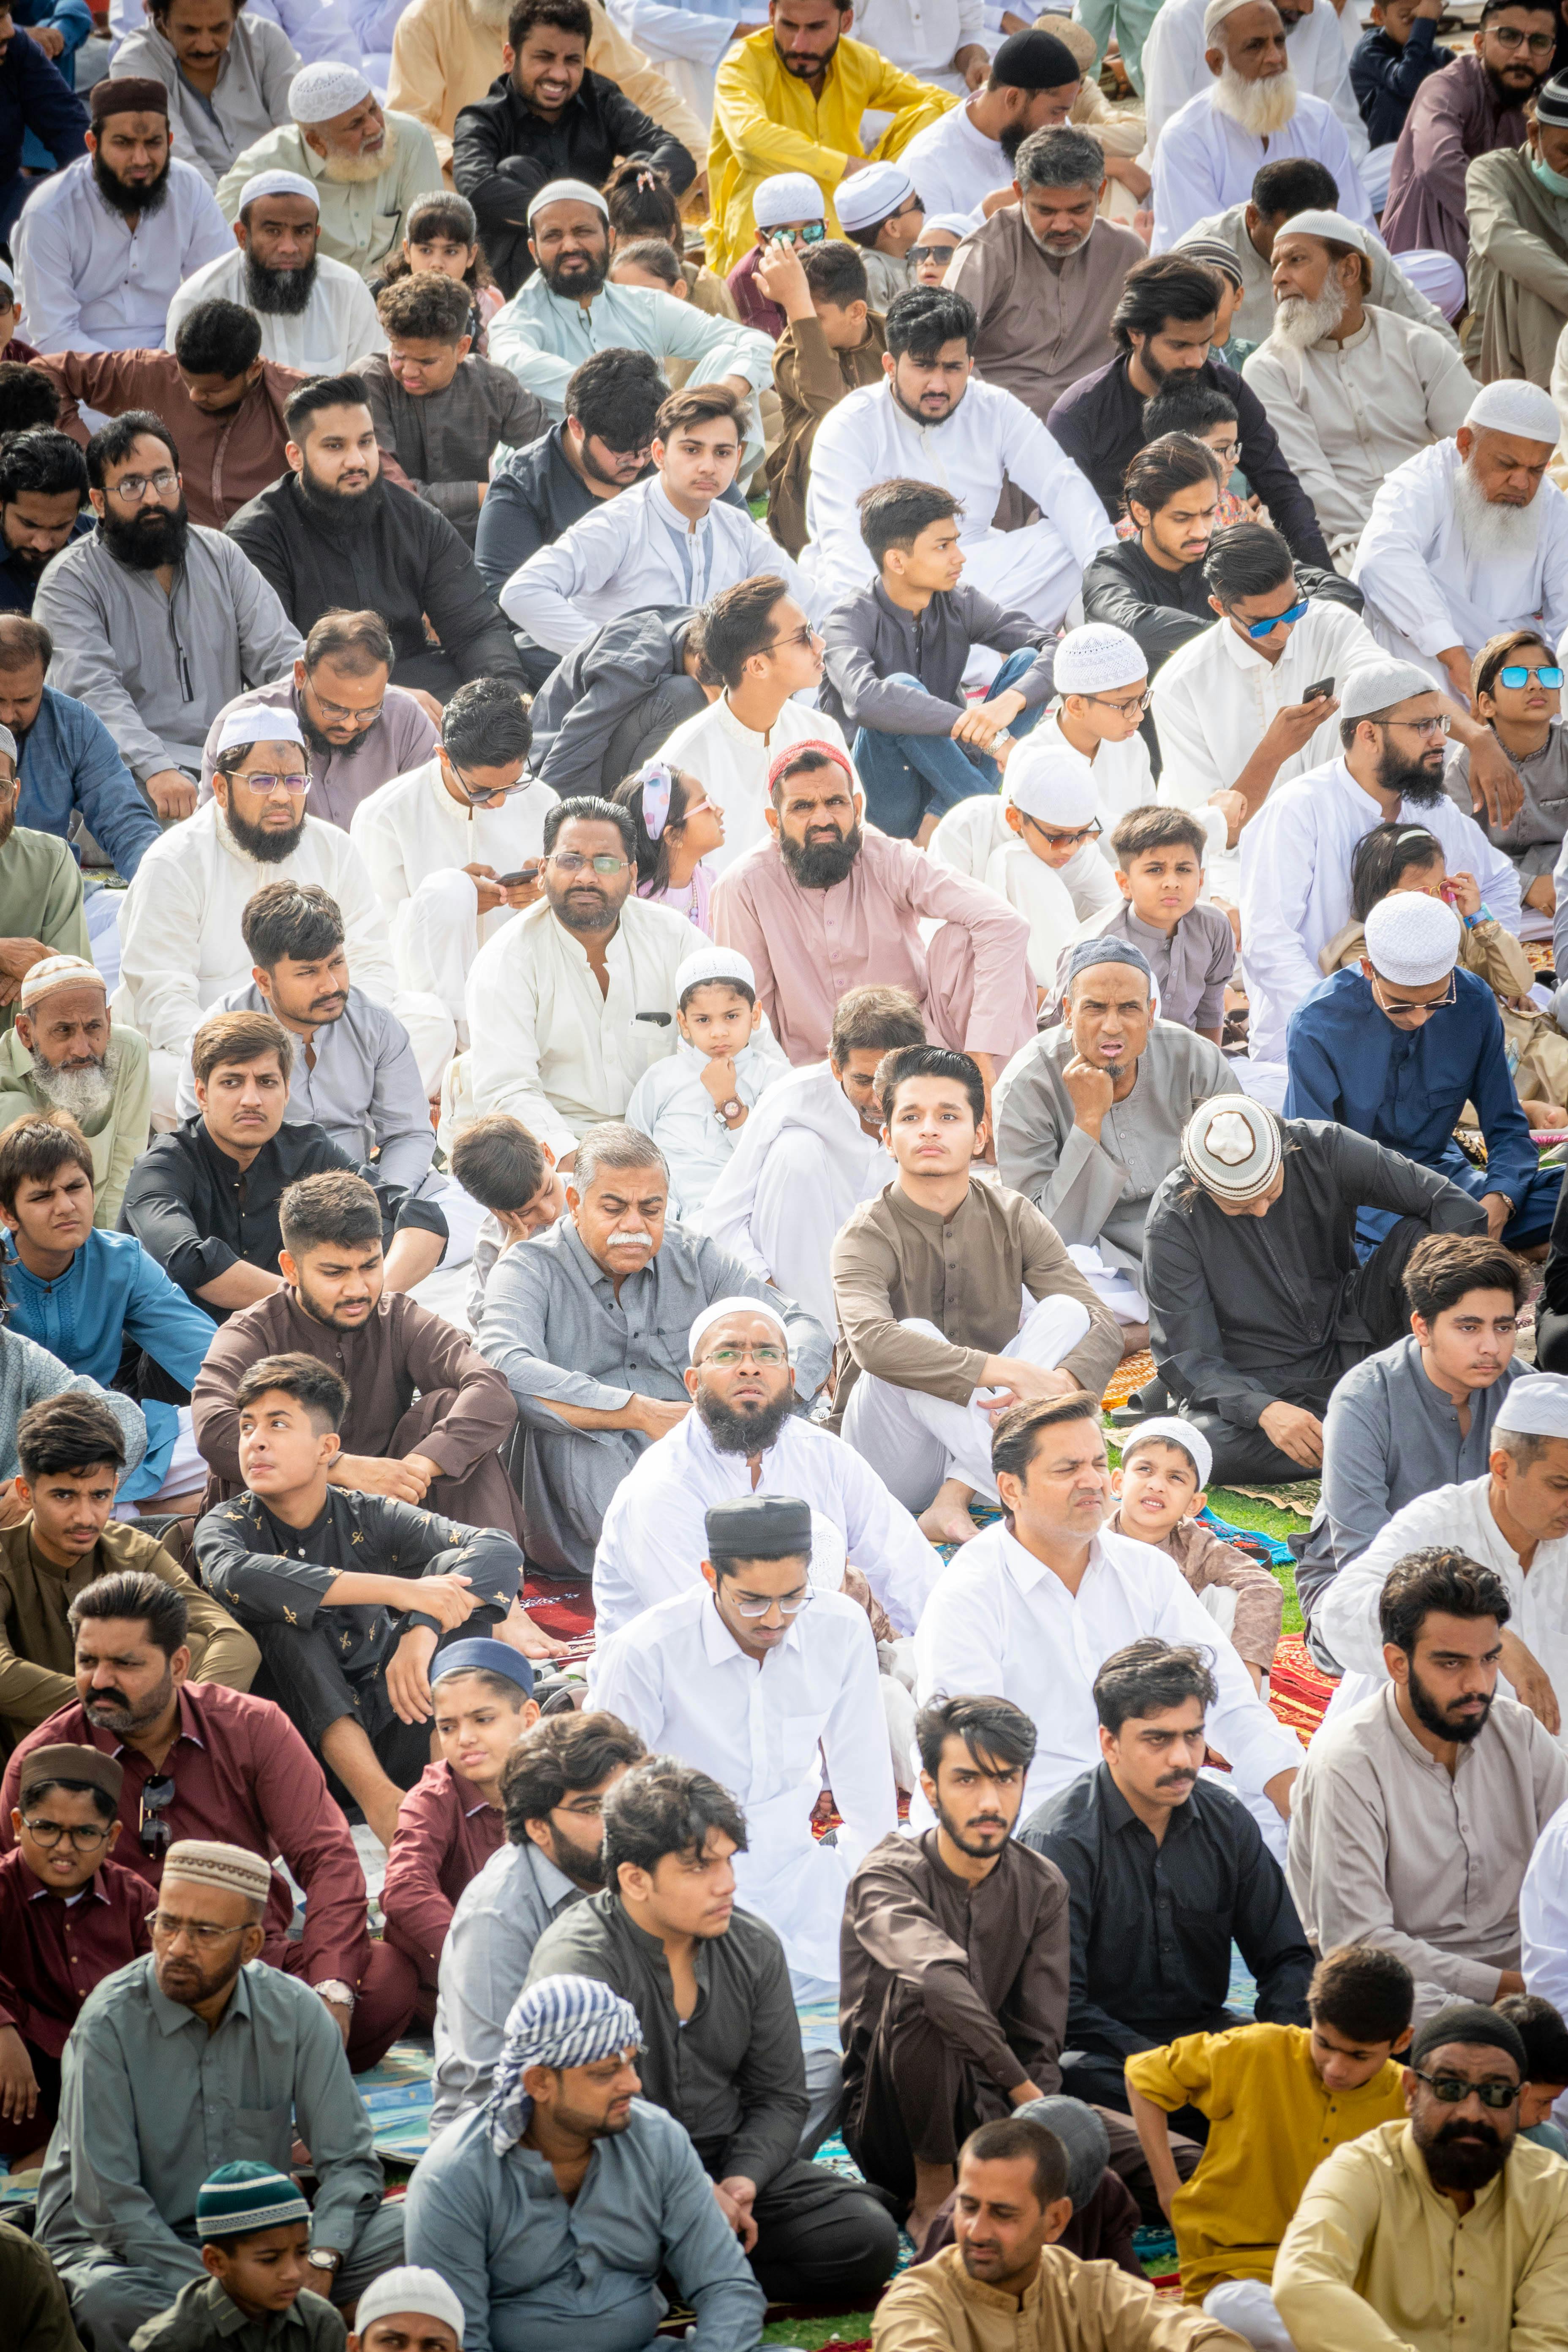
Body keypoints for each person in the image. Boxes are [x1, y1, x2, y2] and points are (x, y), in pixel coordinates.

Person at [527, 1756, 902, 2305]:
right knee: (561, 2244)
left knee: (865, 2236)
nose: (726, 1884)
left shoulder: (752, 1945)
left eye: (728, 1861)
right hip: (614, 2174)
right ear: (635, 1879)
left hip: (725, 2164)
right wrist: (690, 2193)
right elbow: (578, 2113)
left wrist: (742, 2183)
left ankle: (669, 2276)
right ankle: (674, 2268)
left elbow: (780, 2099)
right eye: (699, 1868)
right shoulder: (579, 1958)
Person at [2, 1568, 412, 2067]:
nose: (100, 1681)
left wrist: (331, 1993)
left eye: (124, 1664)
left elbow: (326, 1859)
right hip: (103, 1987)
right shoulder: (44, 1759)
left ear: (179, 1665)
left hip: (243, 1968)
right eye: (87, 1661)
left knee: (384, 1980)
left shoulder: (252, 1727)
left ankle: (236, 2059)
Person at [35, 1836, 406, 2350]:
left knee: (414, 2226)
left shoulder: (295, 2012)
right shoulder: (109, 2023)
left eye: (204, 1932)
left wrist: (319, 2261)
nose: (177, 1949)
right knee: (108, 2302)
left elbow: (349, 2162)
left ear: (252, 1944)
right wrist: (232, 2295)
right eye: (166, 1924)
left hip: (268, 2249)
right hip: (128, 2251)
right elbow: (111, 2207)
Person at [195, 1352, 522, 1847]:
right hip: (300, 1752)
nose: (255, 1440)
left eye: (277, 1424)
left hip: (396, 1717)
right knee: (284, 1626)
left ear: (327, 1447)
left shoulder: (367, 1513)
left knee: (451, 1588)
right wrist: (398, 1590)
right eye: (246, 1427)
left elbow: (496, 1549)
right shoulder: (227, 1525)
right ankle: (383, 1805)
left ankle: (445, 1788)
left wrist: (420, 1629)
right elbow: (235, 1575)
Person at [476, 1119, 828, 1574]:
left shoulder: (693, 1256)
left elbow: (799, 1325)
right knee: (585, 1436)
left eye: (651, 1209)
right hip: (587, 1492)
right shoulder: (529, 1269)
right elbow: (502, 1367)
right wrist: (638, 1413)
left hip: (705, 1445)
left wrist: (773, 1395)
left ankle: (764, 1555)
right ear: (576, 1204)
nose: (634, 1227)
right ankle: (706, 1566)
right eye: (615, 1208)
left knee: (773, 1405)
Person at [589, 1492, 893, 1991]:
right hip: (687, 1878)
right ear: (711, 1578)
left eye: (793, 1597)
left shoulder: (838, 1626)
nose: (774, 1619)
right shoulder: (647, 1651)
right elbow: (610, 1802)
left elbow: (863, 1766)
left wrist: (882, 1882)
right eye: (752, 1600)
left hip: (800, 1870)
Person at [830, 1045, 1122, 1541]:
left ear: (978, 1134)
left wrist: (1058, 1382)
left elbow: (1101, 1322)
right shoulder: (863, 1234)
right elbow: (873, 1343)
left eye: (948, 1115)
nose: (929, 1129)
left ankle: (956, 1497)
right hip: (893, 1461)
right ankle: (1050, 1500)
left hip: (987, 1431)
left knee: (1067, 1311)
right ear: (887, 1137)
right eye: (911, 1117)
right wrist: (1014, 1372)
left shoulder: (1013, 1215)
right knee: (912, 1334)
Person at [1021, 1638, 1312, 2115]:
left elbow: (1287, 1955)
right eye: (1158, 1739)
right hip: (1109, 2055)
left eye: (1193, 1736)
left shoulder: (1226, 1821)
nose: (1182, 1758)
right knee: (1078, 2084)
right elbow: (1060, 2009)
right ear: (1109, 1743)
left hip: (1207, 2039)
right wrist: (1173, 2068)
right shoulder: (1059, 1843)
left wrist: (1279, 2047)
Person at [408, 1968, 768, 2351]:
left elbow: (727, 2287)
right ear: (540, 2083)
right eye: (605, 2073)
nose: (633, 2084)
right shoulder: (453, 2177)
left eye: (630, 2063)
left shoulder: (658, 2140)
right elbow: (457, 2340)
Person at [1145, 1093, 1490, 1483]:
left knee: (1424, 1238)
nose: (1260, 1210)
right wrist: (1263, 1410)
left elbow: (1454, 1207)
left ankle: (1384, 1422)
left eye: (1271, 1194)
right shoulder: (1172, 1222)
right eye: (1241, 1206)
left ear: (1284, 1150)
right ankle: (1398, 1429)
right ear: (1198, 1185)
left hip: (1362, 1336)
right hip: (1265, 1378)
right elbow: (1192, 1357)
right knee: (1200, 1446)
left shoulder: (1322, 1147)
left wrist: (1445, 1337)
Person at [1290, 1547, 1568, 2026]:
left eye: (1488, 1660)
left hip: (1531, 1982)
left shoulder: (1517, 1733)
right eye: (1451, 1664)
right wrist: (1507, 1991)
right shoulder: (1347, 1762)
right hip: (1405, 1993)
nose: (1478, 1684)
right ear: (1397, 1663)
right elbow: (1359, 1940)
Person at [840, 1693, 1071, 2237]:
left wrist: (1033, 2127)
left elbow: (1040, 2037)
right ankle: (932, 2199)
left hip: (993, 2112)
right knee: (930, 1995)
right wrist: (1025, 2094)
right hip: (893, 2118)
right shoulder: (886, 1875)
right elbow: (933, 1979)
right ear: (930, 1788)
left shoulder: (1041, 1885)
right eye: (967, 1780)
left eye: (1006, 1779)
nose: (990, 1801)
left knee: (1136, 2156)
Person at [192, 1168, 520, 1540]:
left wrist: (417, 1468)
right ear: (291, 1269)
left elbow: (489, 1387)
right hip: (282, 1535)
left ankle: (487, 1582)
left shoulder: (396, 1316)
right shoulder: (251, 1334)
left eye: (370, 1266)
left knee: (450, 1410)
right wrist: (341, 1468)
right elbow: (213, 1430)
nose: (357, 1289)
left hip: (389, 1512)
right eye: (334, 1273)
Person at [592, 1293, 940, 1639]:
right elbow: (703, 1635)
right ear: (694, 1385)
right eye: (728, 1354)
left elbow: (908, 1571)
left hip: (823, 1657)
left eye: (768, 1354)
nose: (749, 1367)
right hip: (687, 1678)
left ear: (790, 1378)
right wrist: (850, 1618)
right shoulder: (663, 1485)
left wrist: (923, 1651)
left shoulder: (827, 1456)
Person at [1238, 659, 1524, 1068]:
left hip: (1434, 1030)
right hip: (1319, 1042)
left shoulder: (1434, 808)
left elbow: (1498, 883)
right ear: (1369, 734)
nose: (1441, 738)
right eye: (1423, 726)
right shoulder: (1298, 810)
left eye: (1441, 721)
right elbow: (1269, 945)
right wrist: (1342, 1021)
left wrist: (1494, 973)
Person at [1124, 1945, 1414, 2342]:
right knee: (1238, 2310)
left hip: (1344, 2282)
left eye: (1359, 2056)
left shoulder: (1408, 2096)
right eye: (1325, 2044)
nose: (1336, 2069)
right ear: (1313, 2017)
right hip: (1237, 2270)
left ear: (1400, 2042)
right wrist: (1167, 2190)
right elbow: (1143, 2078)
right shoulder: (1258, 2050)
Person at [117, 710, 396, 1121]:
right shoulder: (175, 862)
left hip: (318, 1040)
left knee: (426, 1021)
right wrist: (247, 1063)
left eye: (295, 781)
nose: (282, 797)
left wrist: (337, 1045)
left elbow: (371, 962)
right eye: (262, 781)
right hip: (216, 1056)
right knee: (153, 1078)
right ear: (222, 788)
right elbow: (161, 996)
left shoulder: (334, 849)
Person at [33, 413, 303, 822]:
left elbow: (282, 658)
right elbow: (92, 694)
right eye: (131, 485)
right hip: (130, 774)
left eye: (163, 479)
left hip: (230, 760)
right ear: (100, 501)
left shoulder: (221, 554)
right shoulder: (70, 581)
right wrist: (157, 767)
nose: (152, 498)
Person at [713, 741, 1039, 1071]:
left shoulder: (888, 859)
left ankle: (997, 1100)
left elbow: (1003, 923)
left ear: (856, 807)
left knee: (967, 941)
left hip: (917, 1058)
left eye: (835, 802)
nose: (822, 819)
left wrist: (982, 1055)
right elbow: (749, 1015)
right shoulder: (744, 887)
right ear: (774, 821)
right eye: (802, 807)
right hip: (817, 1075)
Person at [805, 285, 1116, 626]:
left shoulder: (994, 408)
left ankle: (981, 652)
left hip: (977, 570)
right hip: (891, 584)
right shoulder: (850, 426)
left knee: (1071, 545)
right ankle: (979, 654)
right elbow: (847, 553)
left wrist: (1109, 581)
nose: (938, 385)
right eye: (923, 367)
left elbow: (1061, 483)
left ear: (970, 366)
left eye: (952, 368)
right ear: (890, 366)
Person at [1272, 2002, 1568, 2352]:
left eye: (1497, 2094)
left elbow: (1549, 2337)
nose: (1472, 2113)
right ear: (1412, 2091)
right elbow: (1302, 2280)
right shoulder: (1361, 2170)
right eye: (1449, 2088)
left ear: (1521, 2101)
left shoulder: (1554, 2190)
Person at [120, 1008, 447, 1323]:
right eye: (232, 1083)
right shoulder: (162, 1168)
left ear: (287, 1091)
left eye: (267, 1082)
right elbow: (189, 1261)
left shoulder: (308, 1150)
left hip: (296, 1336)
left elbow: (417, 1217)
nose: (252, 1099)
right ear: (203, 1094)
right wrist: (315, 1302)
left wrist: (370, 1300)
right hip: (181, 1359)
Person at [1285, 889, 1563, 1255]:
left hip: (1448, 1184)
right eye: (1401, 1006)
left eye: (1436, 1003)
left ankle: (1465, 1248)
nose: (1418, 1018)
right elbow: (1313, 1165)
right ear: (1370, 970)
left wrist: (1501, 1201)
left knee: (1560, 1197)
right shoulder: (1316, 1025)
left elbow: (1506, 1128)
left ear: (1451, 974)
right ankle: (1473, 1250)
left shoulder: (1474, 1001)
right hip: (1365, 1206)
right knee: (1344, 1261)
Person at [227, 375, 526, 701]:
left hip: (420, 681)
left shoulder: (414, 518)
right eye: (335, 446)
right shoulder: (258, 537)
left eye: (366, 442)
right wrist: (390, 702)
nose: (356, 460)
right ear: (296, 456)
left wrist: (510, 701)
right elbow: (278, 666)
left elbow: (475, 628)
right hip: (317, 705)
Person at [995, 942, 1232, 1343]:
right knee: (1028, 1293)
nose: (1112, 1026)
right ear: (1068, 1013)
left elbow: (1245, 1169)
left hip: (1197, 1244)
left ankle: (1135, 1336)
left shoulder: (1197, 1060)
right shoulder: (1027, 1083)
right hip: (1102, 1257)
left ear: (1151, 1014)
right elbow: (1042, 1235)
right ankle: (1180, 1325)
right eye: (1095, 1008)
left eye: (1128, 1008)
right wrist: (1087, 1121)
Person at [1295, 1232, 1526, 1644]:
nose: (1491, 1346)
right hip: (1370, 1589)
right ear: (1422, 1327)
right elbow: (1362, 1554)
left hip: (1496, 1581)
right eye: (1468, 1327)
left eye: (1503, 1327)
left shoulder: (1525, 1393)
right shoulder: (1363, 1399)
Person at [429, 1710, 647, 2135]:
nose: (618, 1822)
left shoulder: (633, 1869)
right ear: (538, 1827)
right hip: (515, 2135)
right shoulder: (496, 1917)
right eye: (592, 1807)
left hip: (622, 2095)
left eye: (624, 1800)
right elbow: (495, 2085)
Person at [1313, 1372, 1568, 1731]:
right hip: (1408, 1757)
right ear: (1503, 1469)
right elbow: (1341, 1617)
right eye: (1560, 1485)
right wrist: (1486, 1638)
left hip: (1541, 1766)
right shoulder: (1436, 1524)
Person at [1046, 255, 1336, 571]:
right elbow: (1064, 528)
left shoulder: (1226, 388)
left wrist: (1325, 583)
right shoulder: (1080, 415)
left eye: (1205, 343)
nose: (1196, 361)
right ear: (1135, 333)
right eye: (1180, 346)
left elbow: (1283, 494)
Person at [0, 1390, 256, 1743]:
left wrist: (190, 1713)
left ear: (116, 1488)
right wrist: (127, 1701)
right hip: (36, 1750)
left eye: (99, 1496)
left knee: (194, 1646)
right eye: (64, 1496)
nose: (85, 1517)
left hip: (144, 1735)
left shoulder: (135, 1552)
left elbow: (231, 1637)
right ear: (25, 1493)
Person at [1148, 521, 1382, 901]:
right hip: (1245, 864)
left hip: (1350, 837)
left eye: (1292, 612)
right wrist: (1273, 753)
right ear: (1220, 608)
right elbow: (1203, 838)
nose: (1283, 633)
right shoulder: (1181, 685)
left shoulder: (1330, 624)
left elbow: (1394, 684)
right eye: (1263, 625)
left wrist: (1476, 737)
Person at [818, 480, 1056, 846]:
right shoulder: (846, 620)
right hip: (883, 794)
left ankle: (947, 816)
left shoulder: (960, 602)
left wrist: (1011, 702)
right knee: (900, 690)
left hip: (951, 774)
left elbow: (1054, 650)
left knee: (1026, 663)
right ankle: (998, 821)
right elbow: (863, 699)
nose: (959, 557)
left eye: (956, 542)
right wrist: (982, 731)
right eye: (943, 546)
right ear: (896, 560)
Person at [873, 2115, 1237, 2352]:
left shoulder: (1087, 2287)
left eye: (1003, 2213)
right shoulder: (917, 2300)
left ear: (1056, 2220)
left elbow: (1205, 2339)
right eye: (968, 2207)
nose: (977, 2231)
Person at [171, 885, 437, 1207]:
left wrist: (388, 1201)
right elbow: (203, 1147)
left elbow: (408, 1133)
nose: (331, 985)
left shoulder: (375, 1025)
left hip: (364, 1192)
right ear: (265, 981)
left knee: (454, 1220)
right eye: (308, 972)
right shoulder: (219, 1035)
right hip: (259, 1203)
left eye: (336, 963)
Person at [500, 385, 805, 664]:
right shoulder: (621, 525)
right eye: (691, 450)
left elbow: (808, 600)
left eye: (722, 453)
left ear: (738, 459)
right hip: (619, 700)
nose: (708, 466)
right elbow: (522, 593)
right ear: (659, 454)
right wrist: (617, 659)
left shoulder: (737, 529)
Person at [0, 1115, 212, 1513]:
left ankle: (113, 1517)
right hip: (11, 1461)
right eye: (43, 1197)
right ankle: (139, 1519)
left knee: (230, 1442)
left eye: (76, 1188)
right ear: (9, 1214)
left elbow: (209, 1357)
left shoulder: (123, 1262)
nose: (66, 1207)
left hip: (106, 1437)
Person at [348, 680, 554, 1083]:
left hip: (518, 990)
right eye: (481, 791)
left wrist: (546, 894)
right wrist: (452, 904)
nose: (497, 802)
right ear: (443, 757)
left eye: (511, 786)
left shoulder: (544, 803)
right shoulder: (386, 814)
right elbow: (371, 936)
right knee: (447, 892)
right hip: (424, 1003)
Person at [461, 795, 694, 1152]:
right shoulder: (507, 959)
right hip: (553, 1145)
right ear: (543, 872)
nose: (586, 877)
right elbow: (508, 1090)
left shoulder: (674, 939)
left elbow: (742, 1032)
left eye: (605, 862)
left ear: (632, 876)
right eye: (570, 860)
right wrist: (575, 1160)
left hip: (665, 1135)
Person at [1241, 208, 1473, 558]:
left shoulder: (1417, 345)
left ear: (1348, 270)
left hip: (1438, 523)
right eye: (1276, 265)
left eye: (1295, 260)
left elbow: (1472, 448)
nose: (1278, 278)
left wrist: (1442, 529)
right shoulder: (1267, 369)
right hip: (1338, 540)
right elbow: (1307, 482)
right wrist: (1390, 539)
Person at [694, 981, 919, 1332]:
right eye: (863, 1080)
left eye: (892, 1080)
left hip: (885, 1291)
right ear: (834, 1064)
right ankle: (814, 1345)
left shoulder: (936, 1102)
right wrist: (780, 1306)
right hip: (792, 1291)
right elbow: (723, 1221)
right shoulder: (792, 1100)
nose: (878, 1099)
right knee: (797, 1151)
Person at [452, 0, 694, 298]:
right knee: (515, 171)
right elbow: (476, 186)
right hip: (523, 279)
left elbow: (676, 154)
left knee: (643, 167)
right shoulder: (483, 118)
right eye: (544, 57)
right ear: (509, 57)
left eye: (572, 61)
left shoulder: (599, 97)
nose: (559, 74)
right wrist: (575, 216)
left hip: (604, 269)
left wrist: (612, 203)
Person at [485, 181, 771, 430]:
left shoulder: (643, 305)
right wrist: (636, 396)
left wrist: (726, 390)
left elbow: (757, 344)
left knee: (730, 360)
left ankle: (719, 488)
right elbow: (516, 367)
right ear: (534, 251)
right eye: (553, 236)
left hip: (650, 454)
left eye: (583, 231)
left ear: (610, 240)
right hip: (563, 469)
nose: (570, 246)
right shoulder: (515, 320)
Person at [0, 1740, 155, 2175]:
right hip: (27, 2068)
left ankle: (79, 2150)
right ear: (18, 1824)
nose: (63, 1848)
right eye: (46, 1828)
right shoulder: (4, 1887)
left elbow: (163, 1981)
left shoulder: (134, 1898)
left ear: (112, 1839)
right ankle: (42, 2151)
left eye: (85, 1833)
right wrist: (4, 2033)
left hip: (113, 2063)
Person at [705, 0, 951, 274]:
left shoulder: (857, 61)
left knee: (934, 113)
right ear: (772, 14)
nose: (799, 44)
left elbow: (946, 105)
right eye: (789, 25)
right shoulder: (742, 64)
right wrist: (851, 167)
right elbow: (750, 139)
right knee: (769, 182)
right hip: (763, 236)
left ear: (846, 22)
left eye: (816, 28)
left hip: (844, 218)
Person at [1353, 385, 1568, 697]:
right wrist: (1455, 658)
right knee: (1397, 627)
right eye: (1507, 465)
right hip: (1430, 654)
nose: (1522, 483)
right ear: (1466, 444)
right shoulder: (1422, 479)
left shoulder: (1552, 506)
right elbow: (1381, 560)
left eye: (1536, 470)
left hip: (1514, 669)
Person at [34, 301, 317, 537]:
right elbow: (45, 372)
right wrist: (90, 459)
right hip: (166, 549)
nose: (194, 396)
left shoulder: (297, 400)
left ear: (254, 370)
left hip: (265, 555)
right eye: (187, 381)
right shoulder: (154, 373)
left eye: (211, 391)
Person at [378, 1639, 538, 2027]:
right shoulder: (433, 1797)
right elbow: (404, 1887)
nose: (465, 1738)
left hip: (539, 1966)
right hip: (449, 1980)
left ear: (529, 1718)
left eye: (484, 1720)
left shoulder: (558, 1786)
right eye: (448, 1727)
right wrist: (474, 1956)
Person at [944, 125, 1146, 429]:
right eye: (1046, 211)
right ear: (1019, 194)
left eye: (1079, 209)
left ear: (1101, 193)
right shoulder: (986, 252)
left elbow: (1146, 347)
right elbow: (947, 347)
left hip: (1101, 425)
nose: (1063, 225)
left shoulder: (1127, 251)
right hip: (1002, 428)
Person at [13, 78, 233, 355]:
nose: (140, 159)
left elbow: (217, 293)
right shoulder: (49, 210)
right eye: (124, 143)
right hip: (75, 367)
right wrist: (135, 377)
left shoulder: (189, 187)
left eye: (154, 143)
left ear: (170, 142)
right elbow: (53, 334)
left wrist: (167, 365)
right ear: (93, 144)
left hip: (171, 357)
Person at [1149, 0, 1375, 255]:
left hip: (1323, 282)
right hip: (1229, 288)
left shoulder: (1319, 120)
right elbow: (1203, 259)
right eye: (1255, 46)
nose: (1275, 57)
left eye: (1279, 41)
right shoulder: (1185, 139)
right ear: (1216, 62)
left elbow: (1358, 229)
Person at [385, 0, 704, 177]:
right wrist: (475, 164)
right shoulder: (425, 20)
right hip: (478, 189)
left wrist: (703, 158)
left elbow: (645, 90)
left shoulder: (574, 9)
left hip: (580, 186)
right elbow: (410, 123)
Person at [472, 344, 667, 627]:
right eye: (621, 451)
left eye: (647, 449)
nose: (638, 463)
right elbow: (502, 595)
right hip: (575, 634)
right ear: (577, 426)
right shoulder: (523, 485)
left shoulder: (671, 454)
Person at [199, 611, 439, 836]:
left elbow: (434, 818)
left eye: (368, 711)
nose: (349, 724)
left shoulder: (406, 719)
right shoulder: (242, 726)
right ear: (301, 675)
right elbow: (215, 836)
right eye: (334, 709)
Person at [356, 275, 547, 547]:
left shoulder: (494, 385)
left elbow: (550, 453)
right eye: (398, 355)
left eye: (426, 361)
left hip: (481, 538)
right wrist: (484, 493)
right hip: (391, 538)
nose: (408, 371)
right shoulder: (367, 384)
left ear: (462, 349)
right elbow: (386, 492)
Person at [215, 63, 444, 287]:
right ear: (316, 142)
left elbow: (430, 243)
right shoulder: (264, 166)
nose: (375, 128)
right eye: (356, 124)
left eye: (374, 109)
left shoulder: (410, 140)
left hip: (395, 299)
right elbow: (220, 253)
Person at [1106, 1421, 1283, 1687]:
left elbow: (1262, 1585)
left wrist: (1248, 1667)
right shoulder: (1090, 1540)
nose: (1157, 1485)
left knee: (1228, 1598)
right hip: (1103, 1665)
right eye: (1145, 1470)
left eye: (1175, 1478)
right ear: (1118, 1483)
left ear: (1193, 1504)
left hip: (1175, 1671)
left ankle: (1232, 1702)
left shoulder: (1197, 1547)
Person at [1381, 0, 1555, 267]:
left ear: (1552, 53)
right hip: (1424, 264)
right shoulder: (1446, 87)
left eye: (1539, 42)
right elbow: (1438, 163)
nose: (1523, 54)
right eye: (1509, 37)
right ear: (1479, 43)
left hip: (1506, 254)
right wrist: (1509, 228)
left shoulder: (1546, 102)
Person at [622, 946, 789, 1219]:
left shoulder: (773, 1078)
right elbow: (635, 1147)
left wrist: (727, 1099)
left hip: (747, 1213)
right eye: (703, 1020)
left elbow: (774, 1161)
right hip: (667, 1215)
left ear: (755, 1015)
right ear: (684, 1023)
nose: (718, 1032)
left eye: (732, 1016)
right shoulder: (661, 1077)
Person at [166, 172, 388, 375]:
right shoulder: (198, 298)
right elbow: (186, 397)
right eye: (274, 232)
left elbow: (372, 383)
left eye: (302, 232)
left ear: (317, 235)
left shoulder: (348, 289)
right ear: (243, 236)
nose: (289, 247)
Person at [130, 2159, 348, 2352]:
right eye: (270, 2259)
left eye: (302, 2252)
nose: (294, 2273)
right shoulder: (170, 2343)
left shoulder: (321, 2322)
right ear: (215, 2262)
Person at [0, 950, 150, 1228]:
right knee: (13, 1109)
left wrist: (105, 1254)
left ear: (108, 1019)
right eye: (63, 1031)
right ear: (25, 1031)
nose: (82, 1049)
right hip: (17, 1241)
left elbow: (125, 1169)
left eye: (94, 1027)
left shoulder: (129, 1050)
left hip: (89, 1228)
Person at [762, 238, 887, 559]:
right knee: (821, 430)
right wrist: (800, 310)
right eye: (793, 313)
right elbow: (833, 406)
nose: (799, 327)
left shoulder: (892, 337)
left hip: (891, 486)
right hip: (808, 519)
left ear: (857, 312)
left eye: (812, 318)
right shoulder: (791, 349)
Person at [1067, 808, 1237, 1037]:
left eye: (1184, 869)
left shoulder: (1214, 928)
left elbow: (1210, 1011)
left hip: (1188, 1063)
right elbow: (1068, 1034)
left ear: (1200, 880)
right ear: (1124, 882)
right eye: (1155, 870)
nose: (1172, 882)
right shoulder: (1095, 945)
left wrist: (1211, 1071)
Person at [896, 27, 1083, 222]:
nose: (1063, 125)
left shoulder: (1050, 131)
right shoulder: (928, 164)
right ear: (1013, 99)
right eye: (1056, 112)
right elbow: (928, 251)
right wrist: (987, 213)